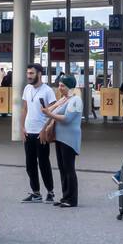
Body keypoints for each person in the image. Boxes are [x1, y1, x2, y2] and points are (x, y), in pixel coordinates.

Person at [43, 74, 83, 208]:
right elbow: (51, 111)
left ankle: (72, 199)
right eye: (59, 85)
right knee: (62, 168)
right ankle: (65, 196)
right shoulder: (64, 99)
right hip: (60, 138)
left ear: (70, 86)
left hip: (70, 139)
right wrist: (49, 111)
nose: (59, 88)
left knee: (69, 168)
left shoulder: (76, 100)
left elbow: (67, 119)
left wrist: (50, 114)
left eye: (62, 85)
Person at [20, 63, 57, 202]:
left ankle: (50, 192)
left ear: (39, 74)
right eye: (28, 73)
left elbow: (52, 112)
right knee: (30, 164)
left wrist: (44, 130)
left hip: (41, 133)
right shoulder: (27, 89)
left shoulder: (47, 91)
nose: (28, 76)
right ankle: (36, 193)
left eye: (31, 73)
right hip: (28, 132)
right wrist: (22, 128)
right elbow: (24, 109)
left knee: (43, 163)